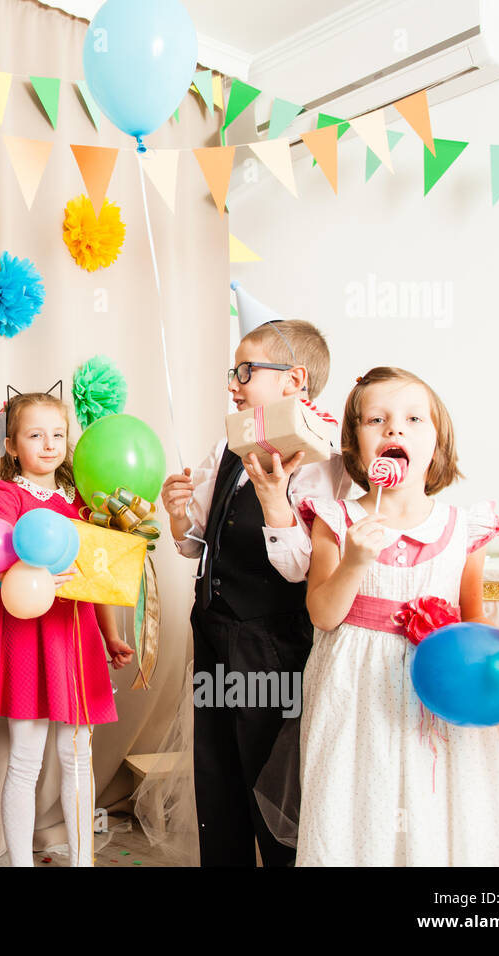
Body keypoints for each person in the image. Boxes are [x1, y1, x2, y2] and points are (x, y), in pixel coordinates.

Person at [292, 366, 499, 865]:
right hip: (353, 694)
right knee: (355, 797)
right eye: (376, 419)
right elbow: (323, 615)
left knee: (436, 798)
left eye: (414, 419)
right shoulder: (336, 521)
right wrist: (355, 559)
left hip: (438, 694)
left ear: (437, 444)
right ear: (354, 446)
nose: (395, 429)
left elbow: (473, 623)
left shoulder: (464, 527)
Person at [160, 315, 349, 866]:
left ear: (293, 380)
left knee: (270, 778)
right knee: (217, 775)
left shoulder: (324, 458)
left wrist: (275, 501)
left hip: (272, 639)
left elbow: (306, 571)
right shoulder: (228, 443)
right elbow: (200, 542)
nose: (233, 383)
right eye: (232, 371)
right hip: (215, 629)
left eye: (246, 370)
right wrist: (178, 518)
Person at [0, 390, 134, 866]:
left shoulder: (82, 501)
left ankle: (83, 861)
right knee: (25, 757)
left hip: (78, 633)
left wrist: (110, 634)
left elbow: (94, 577)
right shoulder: (7, 494)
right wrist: (34, 572)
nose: (49, 444)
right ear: (10, 445)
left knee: (77, 756)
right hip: (27, 634)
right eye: (35, 434)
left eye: (58, 434)